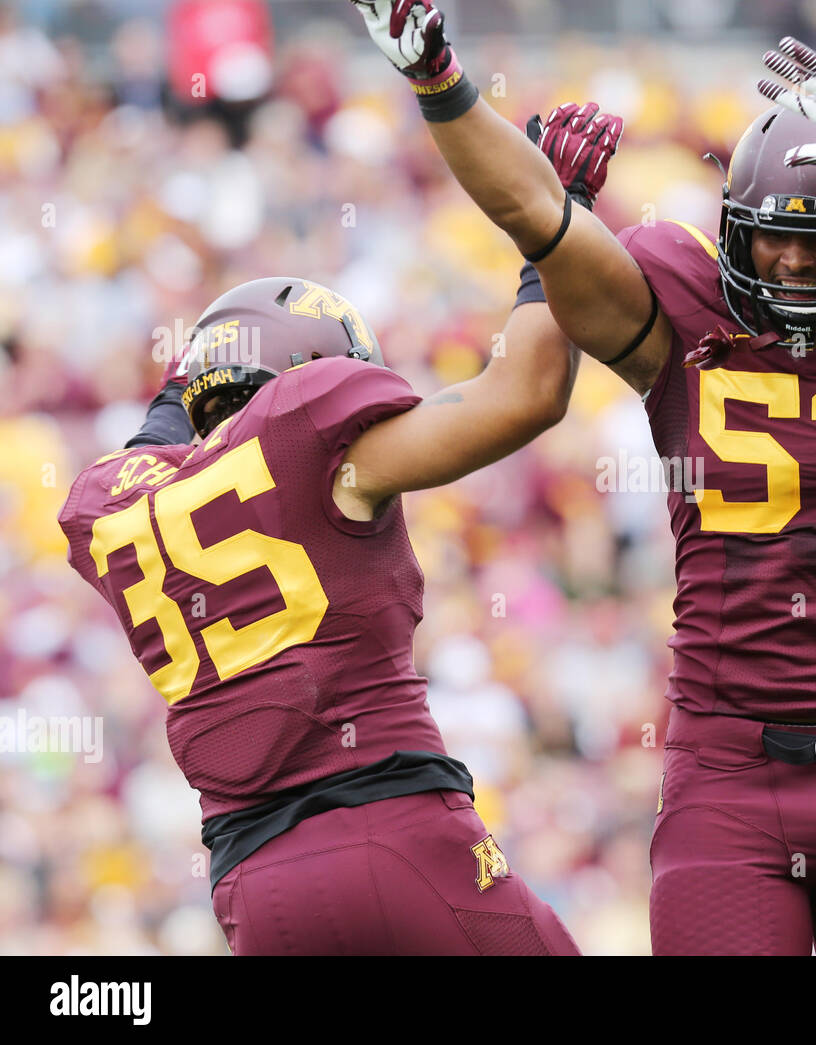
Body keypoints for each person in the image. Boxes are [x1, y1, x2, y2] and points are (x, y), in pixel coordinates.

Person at [352, 1, 816, 954]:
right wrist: (437, 74)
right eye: (772, 233)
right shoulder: (682, 310)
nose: (795, 258)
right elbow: (539, 215)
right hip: (727, 775)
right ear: (732, 226)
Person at [55, 105, 624, 956]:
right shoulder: (313, 444)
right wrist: (557, 222)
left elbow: (153, 445)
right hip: (397, 831)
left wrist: (194, 369)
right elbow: (528, 394)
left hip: (253, 884)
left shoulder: (108, 501)